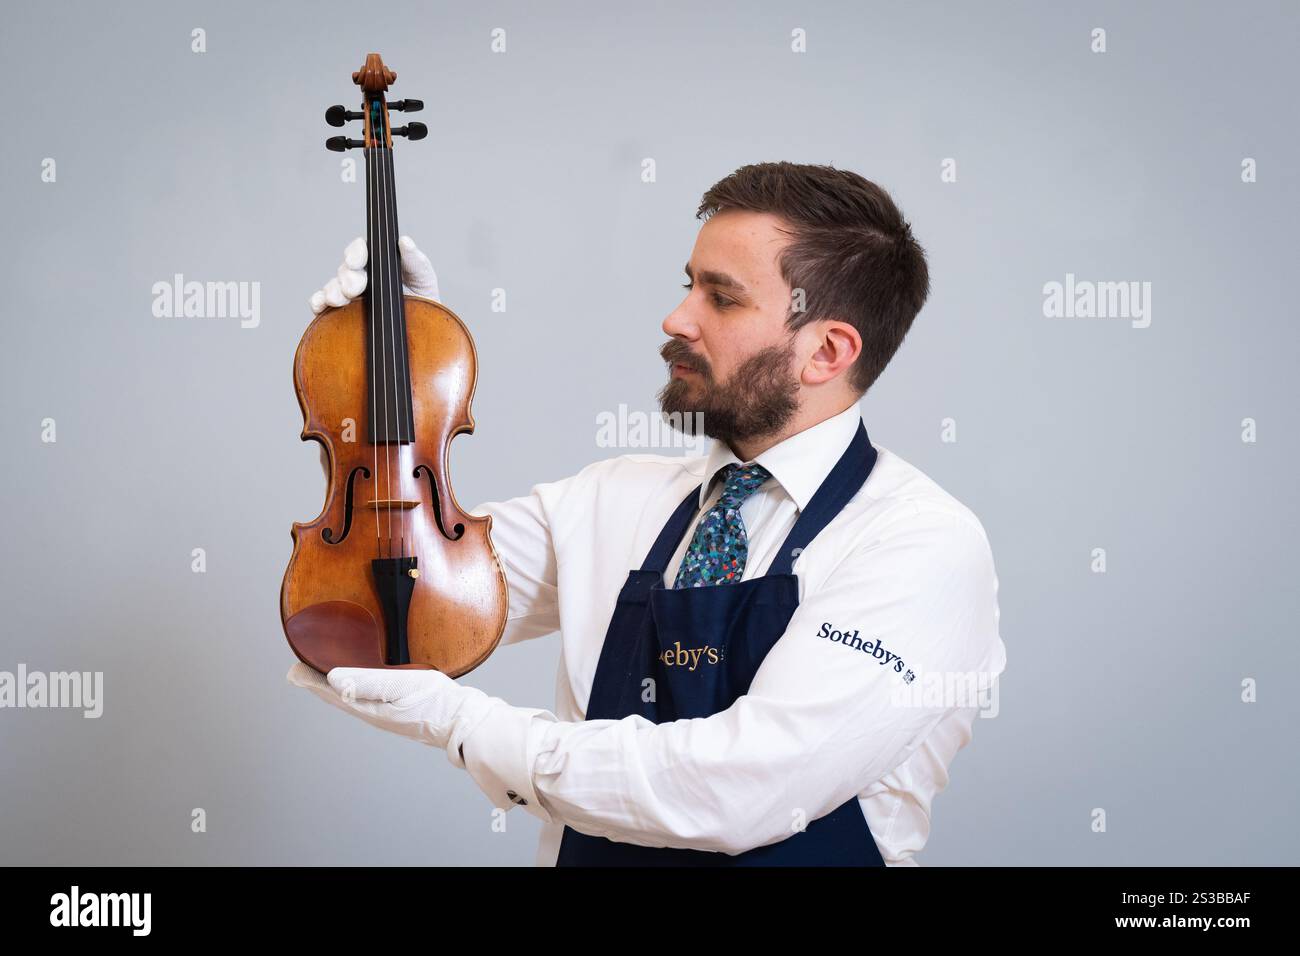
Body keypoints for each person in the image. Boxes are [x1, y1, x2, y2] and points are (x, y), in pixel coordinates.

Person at [289, 161, 1006, 866]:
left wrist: (465, 725)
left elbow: (742, 790)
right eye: (688, 285)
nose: (676, 318)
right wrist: (395, 369)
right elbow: (382, 606)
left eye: (721, 299)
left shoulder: (921, 544)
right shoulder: (609, 498)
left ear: (826, 350)